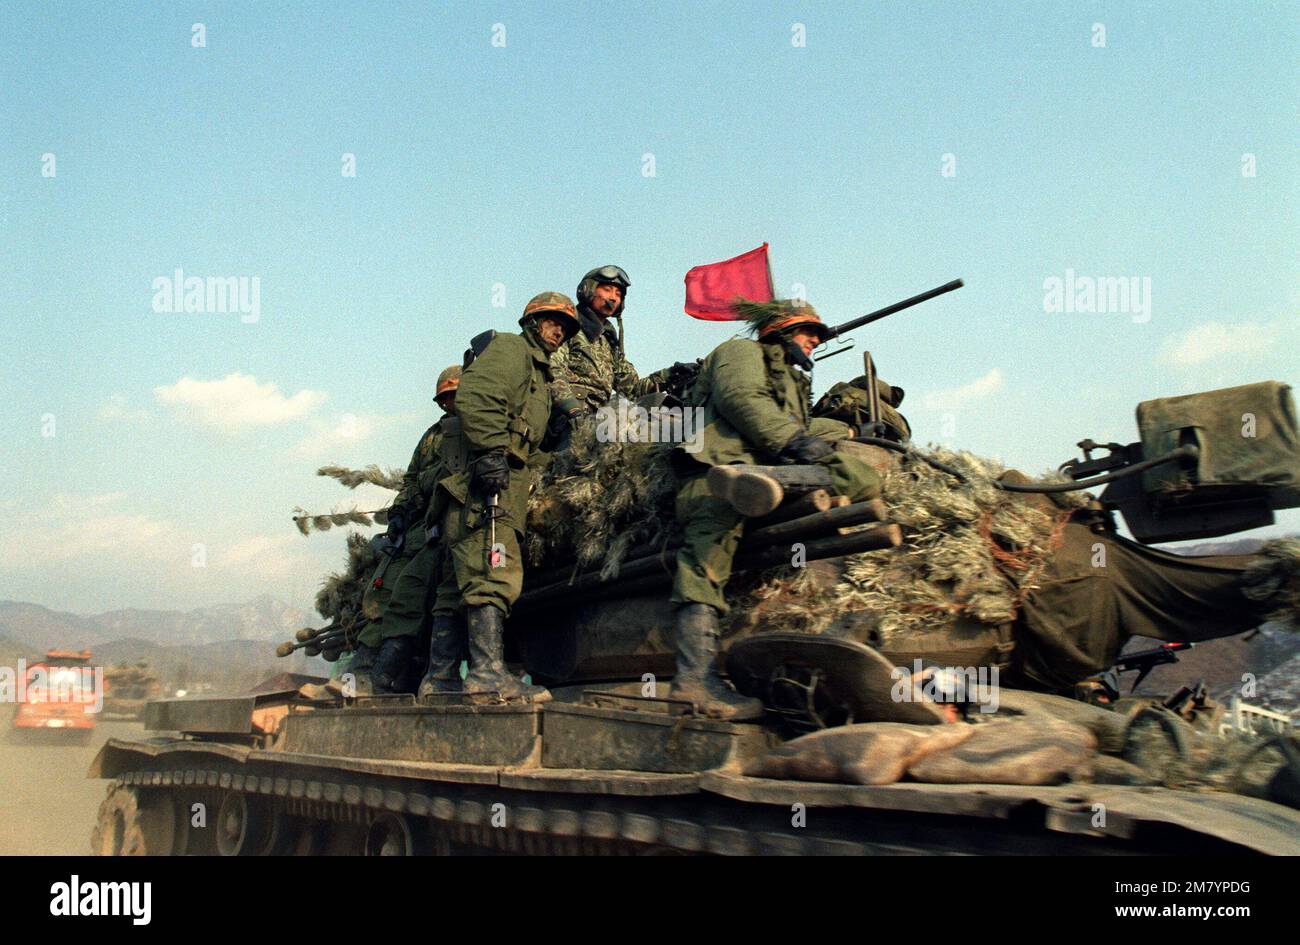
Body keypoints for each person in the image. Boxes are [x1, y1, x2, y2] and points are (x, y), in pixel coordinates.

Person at [669, 300, 884, 719]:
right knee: (705, 565)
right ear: (781, 332)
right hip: (714, 471)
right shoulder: (740, 353)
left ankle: (771, 485)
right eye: (809, 333)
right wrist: (794, 443)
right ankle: (694, 679)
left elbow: (799, 427)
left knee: (863, 478)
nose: (815, 342)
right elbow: (741, 399)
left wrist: (852, 430)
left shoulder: (789, 381)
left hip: (760, 469)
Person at [425, 292, 579, 703]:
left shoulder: (539, 377)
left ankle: (440, 679)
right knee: (493, 572)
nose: (559, 330)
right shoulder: (512, 350)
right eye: (551, 321)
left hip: (499, 483)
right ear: (532, 323)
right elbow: (476, 395)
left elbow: (525, 440)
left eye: (564, 326)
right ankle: (488, 675)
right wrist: (492, 451)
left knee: (457, 587)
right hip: (487, 490)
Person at [351, 366, 463, 695]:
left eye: (453, 396)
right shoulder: (431, 436)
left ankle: (380, 677)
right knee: (382, 590)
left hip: (447, 524)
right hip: (417, 527)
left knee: (409, 595)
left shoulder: (477, 427)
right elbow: (413, 479)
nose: (448, 404)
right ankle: (361, 672)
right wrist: (399, 512)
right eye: (443, 399)